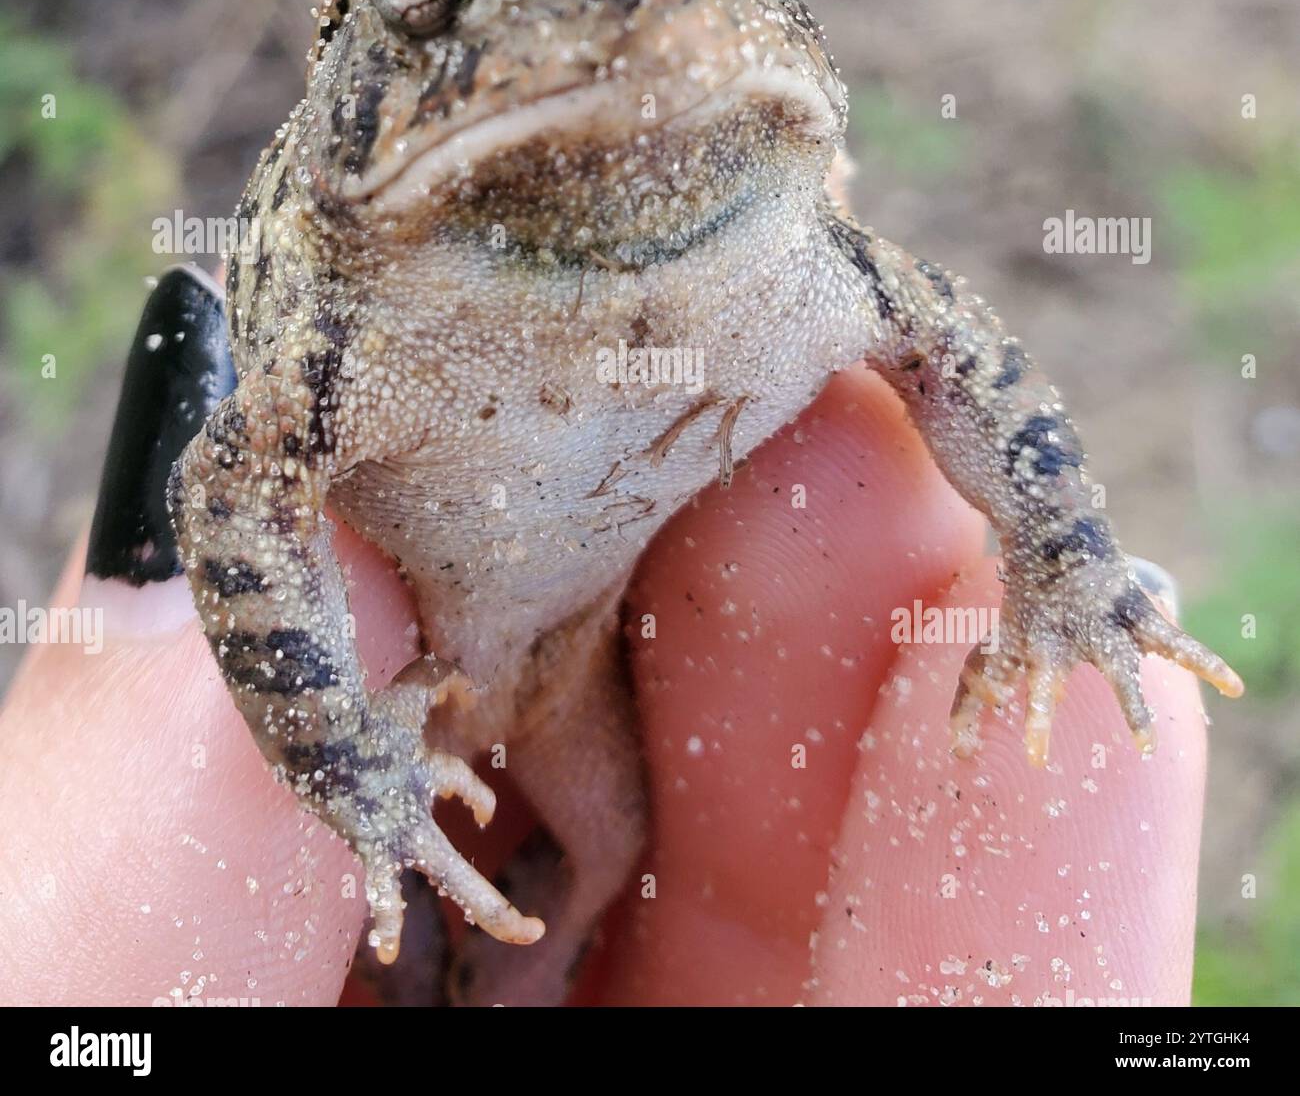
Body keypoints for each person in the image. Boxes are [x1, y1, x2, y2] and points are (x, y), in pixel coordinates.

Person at [0, 269, 1209, 1006]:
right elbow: (228, 491)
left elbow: (955, 348)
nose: (631, 8)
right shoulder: (373, 299)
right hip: (405, 650)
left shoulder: (792, 246)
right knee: (324, 881)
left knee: (610, 848)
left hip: (579, 665)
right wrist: (344, 762)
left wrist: (1063, 559)